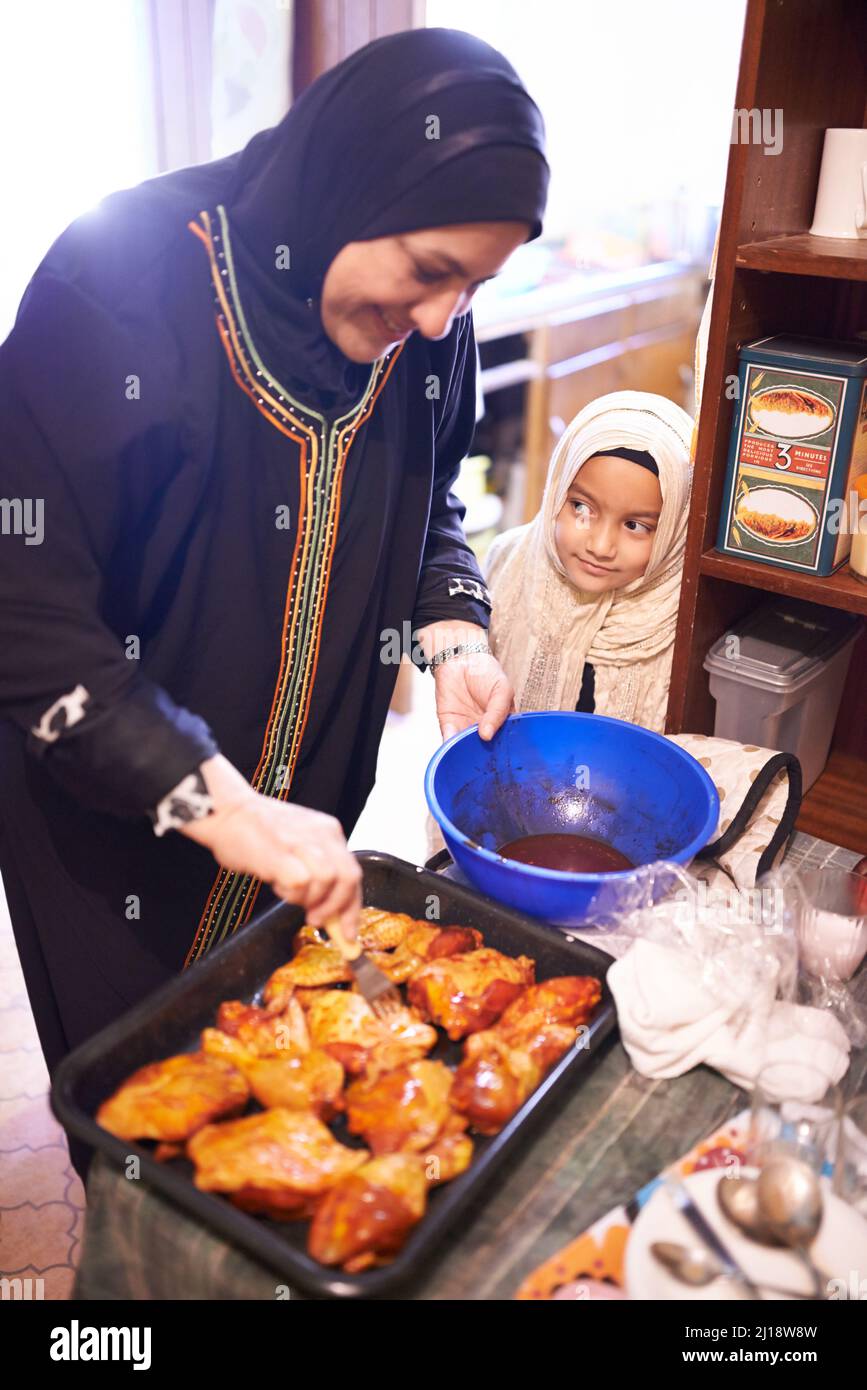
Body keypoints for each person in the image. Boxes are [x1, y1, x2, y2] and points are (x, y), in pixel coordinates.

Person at [0, 27, 549, 1175]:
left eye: (476, 285)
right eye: (431, 268)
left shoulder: (428, 327)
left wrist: (453, 623)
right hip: (113, 822)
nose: (444, 318)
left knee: (288, 1077)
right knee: (149, 1121)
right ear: (349, 183)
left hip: (309, 794)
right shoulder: (115, 286)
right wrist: (225, 807)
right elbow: (25, 613)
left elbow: (431, 492)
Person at [485, 390, 693, 729]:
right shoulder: (507, 560)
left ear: (674, 529)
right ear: (557, 489)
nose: (600, 546)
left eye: (635, 525)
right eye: (581, 508)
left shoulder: (686, 618)